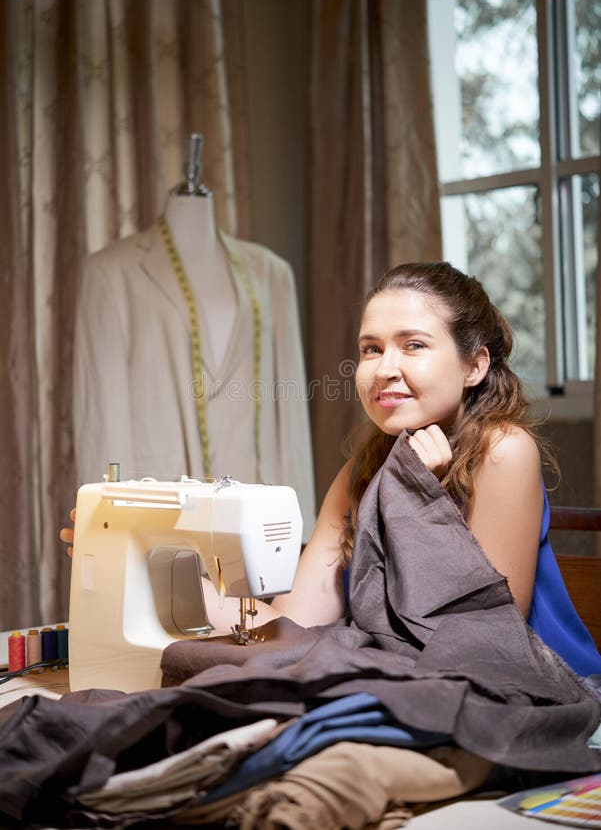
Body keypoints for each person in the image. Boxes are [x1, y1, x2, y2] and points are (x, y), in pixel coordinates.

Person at [62, 260, 601, 676]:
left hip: (536, 691)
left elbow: (485, 639)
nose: (384, 369)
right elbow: (296, 622)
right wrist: (144, 572)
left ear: (474, 364)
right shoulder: (363, 469)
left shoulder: (504, 451)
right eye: (371, 349)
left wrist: (420, 499)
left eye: (413, 345)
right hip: (417, 679)